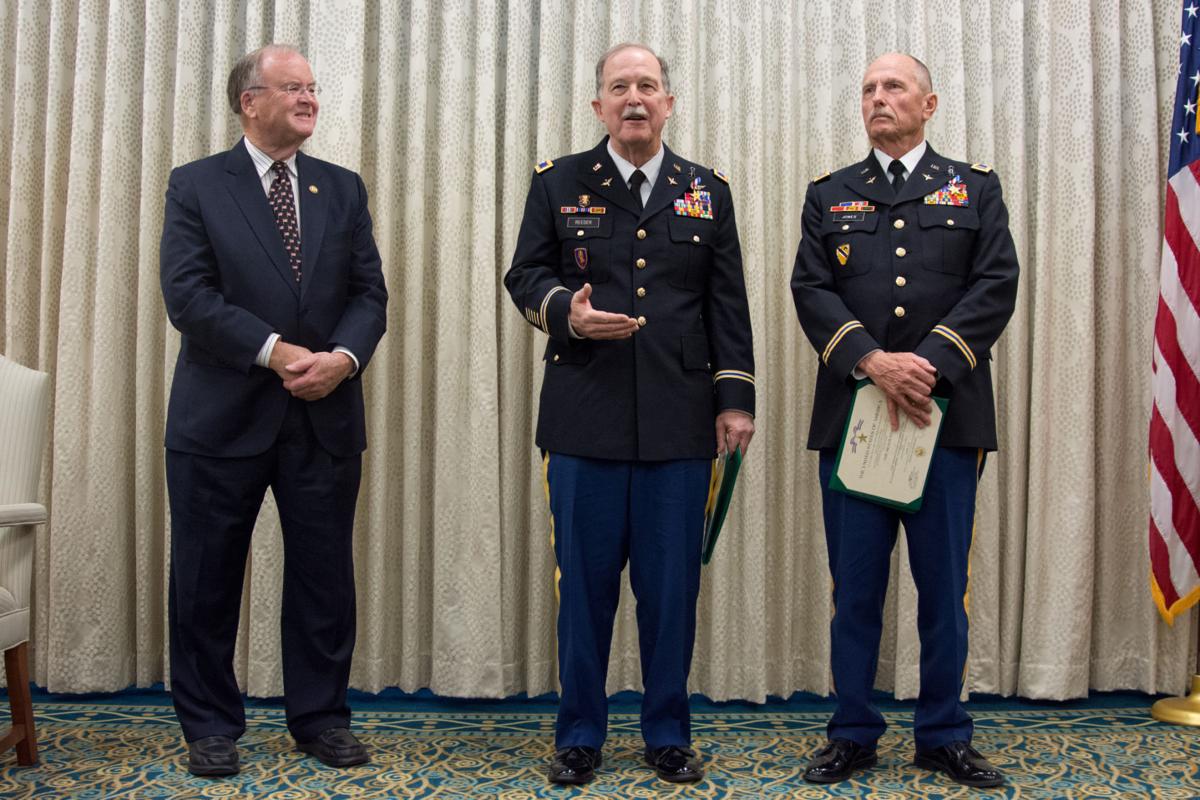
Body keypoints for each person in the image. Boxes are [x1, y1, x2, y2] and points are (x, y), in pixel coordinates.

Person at [505, 42, 756, 786]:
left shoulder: (706, 191)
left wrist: (735, 399)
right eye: (620, 87)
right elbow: (524, 275)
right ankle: (580, 733)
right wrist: (566, 316)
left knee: (671, 590)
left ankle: (667, 734)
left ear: (669, 102)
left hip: (681, 425)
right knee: (582, 589)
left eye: (647, 85)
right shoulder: (559, 183)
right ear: (599, 106)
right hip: (584, 420)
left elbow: (728, 305)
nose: (635, 98)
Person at [790, 53, 1018, 788]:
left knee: (942, 588)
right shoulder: (830, 194)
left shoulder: (974, 189)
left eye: (893, 88)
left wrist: (929, 362)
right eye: (868, 90)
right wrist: (871, 361)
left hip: (945, 421)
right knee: (853, 590)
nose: (878, 99)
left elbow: (996, 283)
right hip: (855, 417)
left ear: (930, 104)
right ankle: (852, 731)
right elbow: (811, 289)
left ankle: (943, 733)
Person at [159, 44, 387, 777]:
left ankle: (319, 718)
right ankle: (209, 725)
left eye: (314, 88)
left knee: (324, 578)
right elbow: (188, 297)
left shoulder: (341, 188)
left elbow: (368, 295)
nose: (310, 99)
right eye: (294, 88)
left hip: (324, 415)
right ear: (248, 100)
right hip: (220, 416)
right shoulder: (196, 185)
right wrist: (276, 351)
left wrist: (343, 359)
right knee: (206, 578)